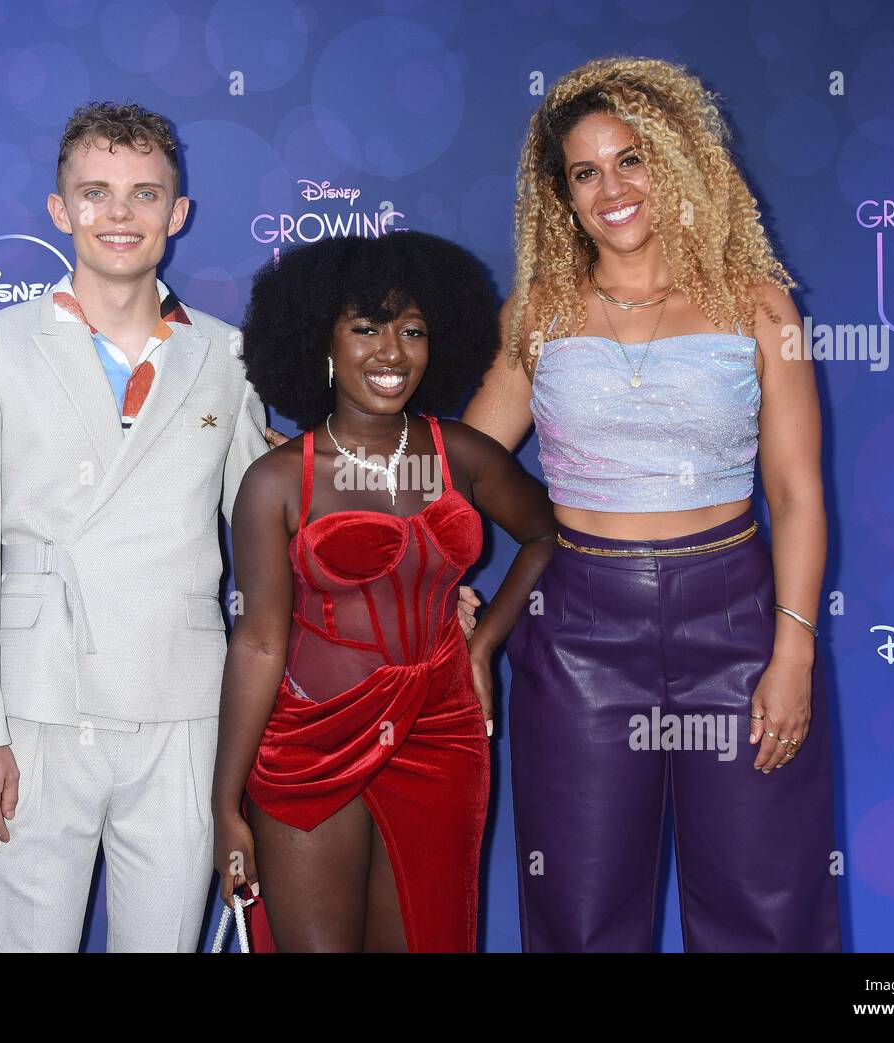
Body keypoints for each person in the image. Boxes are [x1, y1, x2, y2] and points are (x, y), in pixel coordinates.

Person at [461, 57, 842, 951]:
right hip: (580, 631)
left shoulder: (757, 304)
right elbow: (462, 471)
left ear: (672, 161)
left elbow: (795, 491)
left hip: (739, 622)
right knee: (582, 914)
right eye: (585, 172)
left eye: (630, 159)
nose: (612, 188)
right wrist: (438, 574)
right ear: (563, 195)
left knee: (768, 908)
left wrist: (792, 650)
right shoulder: (540, 313)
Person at [0, 101, 285, 951]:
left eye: (144, 193)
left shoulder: (230, 357)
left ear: (177, 213)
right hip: (35, 708)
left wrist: (415, 573)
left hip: (184, 709)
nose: (119, 214)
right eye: (95, 193)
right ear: (60, 211)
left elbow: (273, 525)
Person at [210, 231, 557, 952]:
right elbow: (260, 641)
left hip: (441, 736)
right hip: (309, 743)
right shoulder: (277, 482)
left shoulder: (461, 454)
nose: (391, 352)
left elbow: (547, 532)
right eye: (366, 327)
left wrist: (483, 645)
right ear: (323, 341)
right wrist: (224, 803)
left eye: (412, 330)